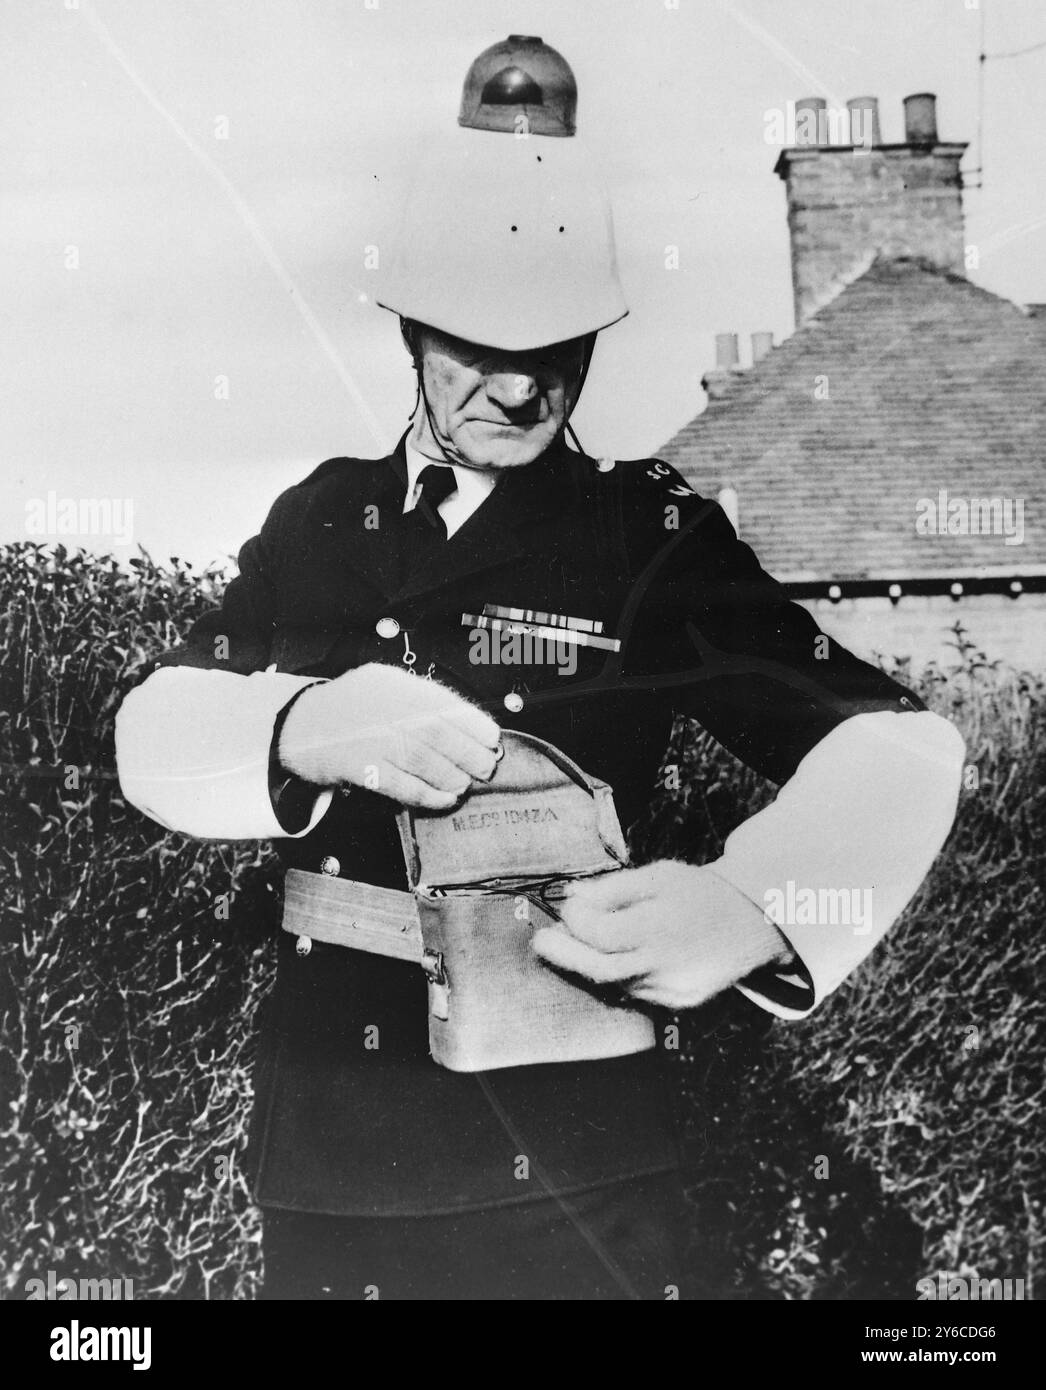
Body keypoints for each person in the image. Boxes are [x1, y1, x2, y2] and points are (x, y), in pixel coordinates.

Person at [115, 36, 964, 1300]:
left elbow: (895, 744)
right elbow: (149, 725)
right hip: (331, 1161)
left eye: (557, 349)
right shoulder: (319, 519)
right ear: (409, 326)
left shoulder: (648, 533)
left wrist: (755, 903)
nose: (517, 387)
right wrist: (295, 724)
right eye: (474, 343)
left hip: (578, 1175)